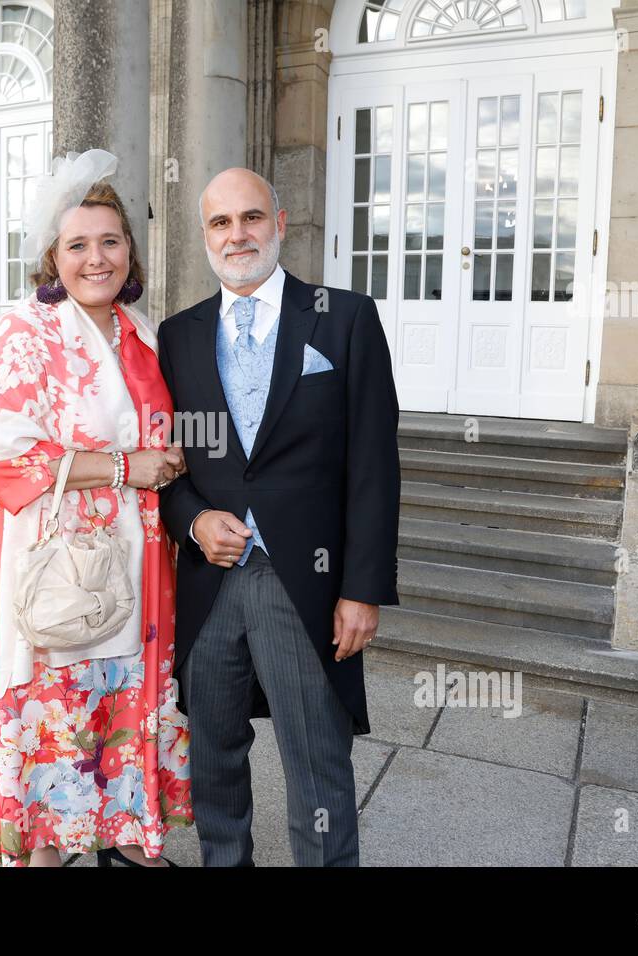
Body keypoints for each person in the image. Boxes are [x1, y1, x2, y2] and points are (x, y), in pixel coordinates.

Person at [157, 167, 401, 866]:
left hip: (307, 581)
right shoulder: (179, 336)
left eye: (251, 218)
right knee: (214, 755)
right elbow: (168, 465)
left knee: (316, 759)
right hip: (209, 582)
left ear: (280, 222)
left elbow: (374, 466)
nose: (238, 235)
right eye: (221, 223)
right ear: (205, 235)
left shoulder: (344, 317)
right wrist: (193, 520)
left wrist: (361, 588)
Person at [0, 149, 192, 867]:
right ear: (52, 257)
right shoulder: (23, 330)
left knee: (126, 700)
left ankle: (126, 839)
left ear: (130, 249)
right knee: (54, 712)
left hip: (138, 558)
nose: (97, 258)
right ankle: (48, 850)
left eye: (111, 241)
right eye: (78, 244)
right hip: (54, 564)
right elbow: (3, 457)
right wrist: (127, 468)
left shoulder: (140, 330)